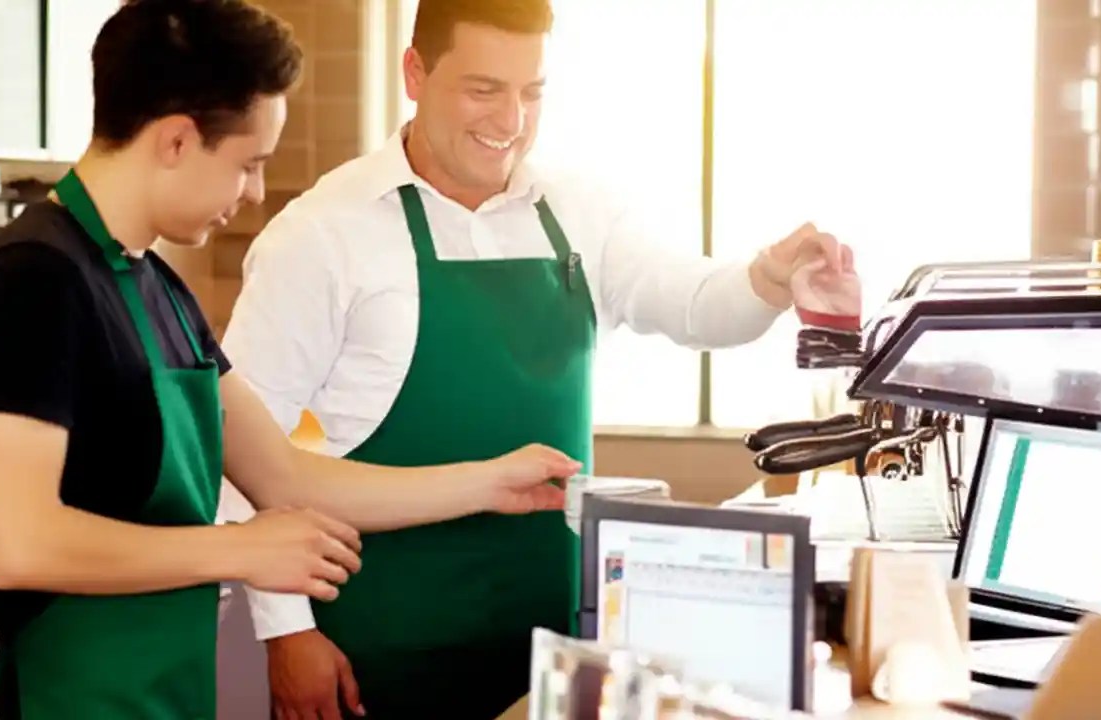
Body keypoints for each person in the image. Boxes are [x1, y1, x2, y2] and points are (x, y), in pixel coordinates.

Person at [220, 0, 861, 717]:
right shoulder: (320, 234)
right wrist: (286, 633)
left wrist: (770, 280)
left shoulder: (578, 210)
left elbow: (692, 304)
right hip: (376, 647)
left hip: (551, 650)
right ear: (414, 73)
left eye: (532, 93)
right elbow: (244, 456)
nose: (510, 122)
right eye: (483, 90)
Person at [0, 2, 580, 719]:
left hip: (164, 701)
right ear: (177, 141)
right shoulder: (35, 279)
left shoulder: (158, 289)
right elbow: (20, 543)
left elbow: (283, 475)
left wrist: (492, 483)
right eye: (248, 164)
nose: (253, 193)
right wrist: (237, 551)